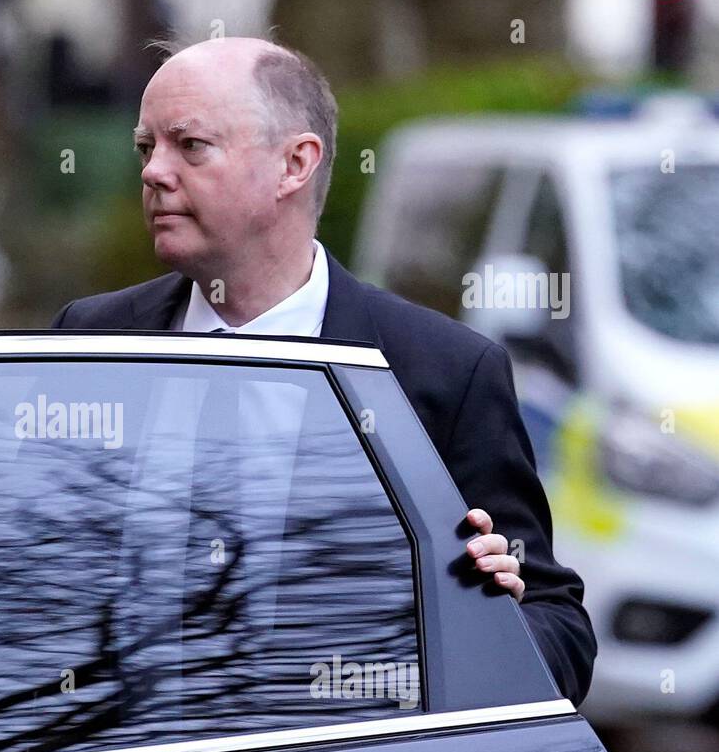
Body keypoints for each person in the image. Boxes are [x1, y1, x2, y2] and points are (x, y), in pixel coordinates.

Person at [50, 36, 596, 706]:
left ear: (294, 164)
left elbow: (557, 626)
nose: (154, 171)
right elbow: (28, 588)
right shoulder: (92, 342)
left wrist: (482, 630)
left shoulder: (443, 373)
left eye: (189, 146)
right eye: (146, 147)